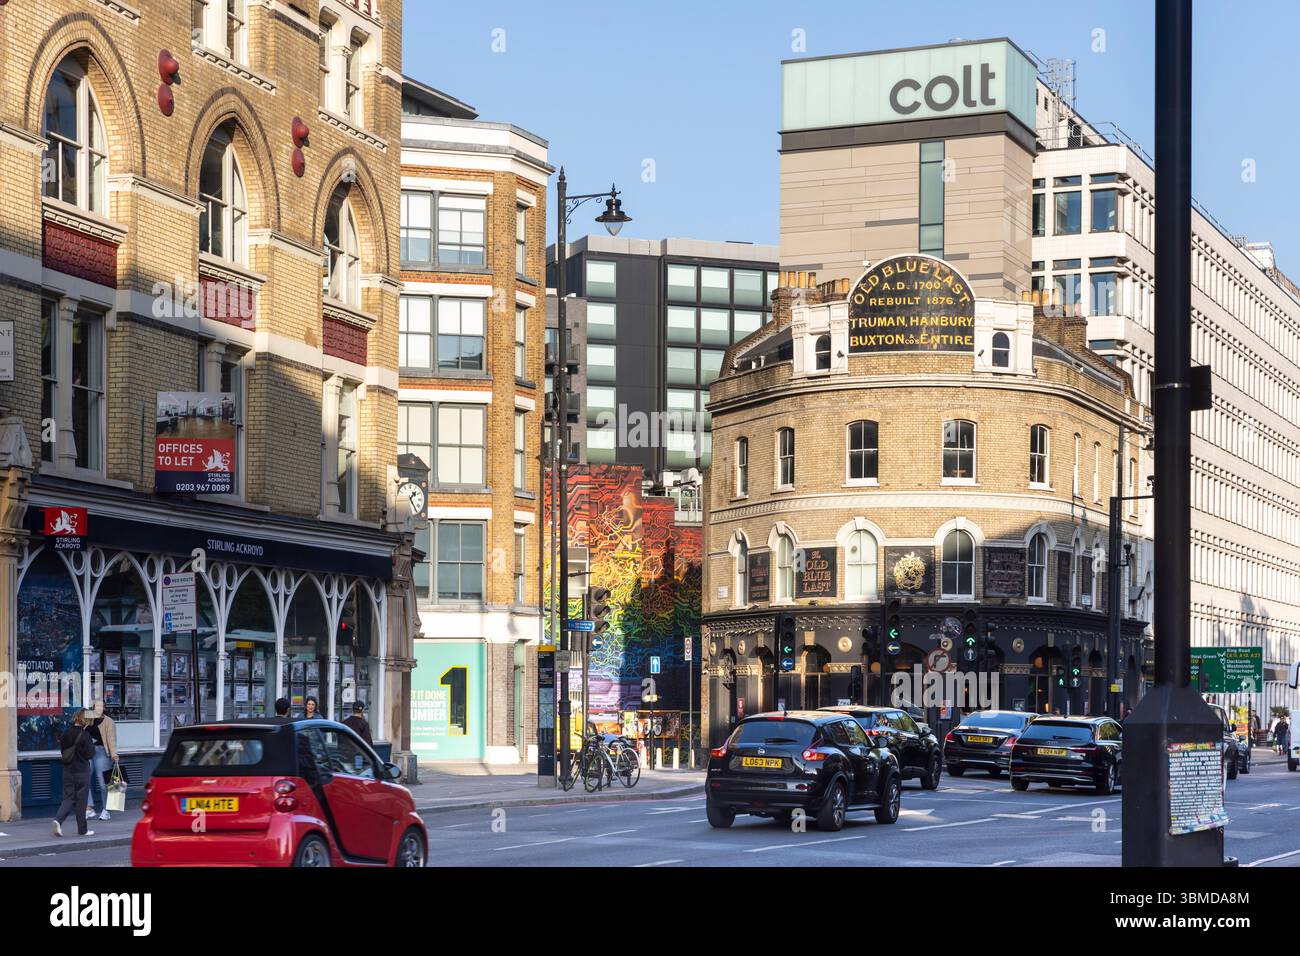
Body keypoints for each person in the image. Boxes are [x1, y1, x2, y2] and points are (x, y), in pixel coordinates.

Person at [54, 709, 96, 838]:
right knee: (81, 801)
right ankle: (82, 830)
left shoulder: (66, 733)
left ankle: (58, 820)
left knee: (68, 798)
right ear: (85, 720)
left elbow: (63, 752)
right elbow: (90, 754)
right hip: (82, 771)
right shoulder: (85, 735)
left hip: (68, 770)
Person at [85, 699, 119, 822]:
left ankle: (106, 810)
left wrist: (114, 754)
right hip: (87, 752)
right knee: (84, 779)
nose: (98, 708)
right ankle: (88, 808)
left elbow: (111, 739)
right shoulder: (87, 717)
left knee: (103, 782)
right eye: (96, 706)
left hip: (101, 752)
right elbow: (79, 731)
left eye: (101, 706)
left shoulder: (109, 721)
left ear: (104, 708)